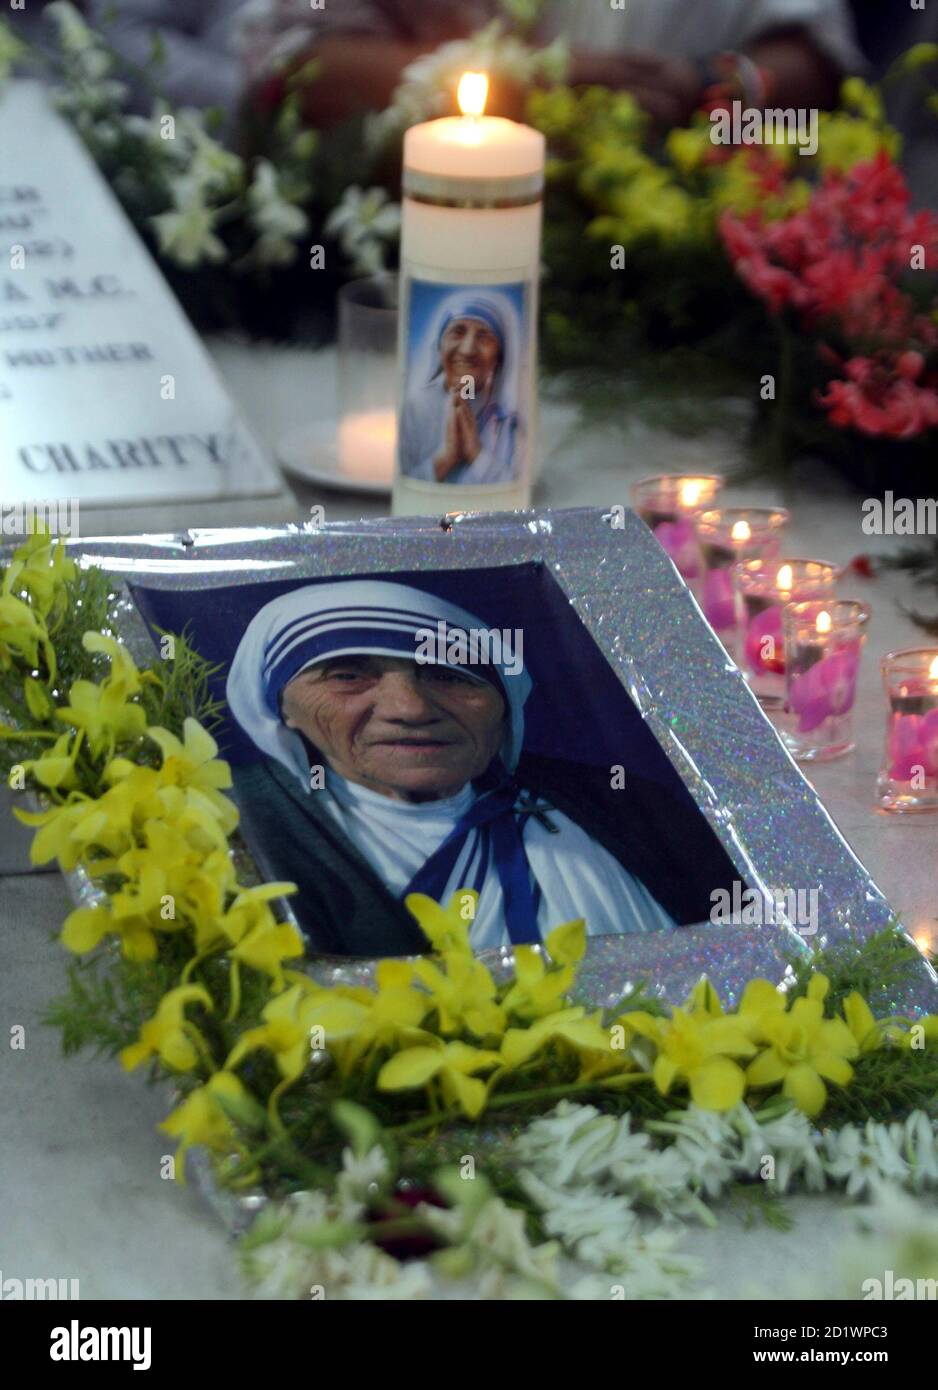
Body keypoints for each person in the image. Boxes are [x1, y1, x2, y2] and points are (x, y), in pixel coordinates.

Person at [225, 577, 739, 956]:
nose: (410, 707)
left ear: (503, 704)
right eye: (346, 675)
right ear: (281, 708)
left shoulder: (628, 804)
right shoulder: (232, 832)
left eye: (449, 675)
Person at [399, 291, 521, 486]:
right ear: (439, 347)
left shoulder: (509, 421)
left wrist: (476, 454)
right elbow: (399, 483)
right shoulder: (413, 410)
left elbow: (517, 489)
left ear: (499, 358)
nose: (467, 350)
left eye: (484, 337)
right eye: (458, 332)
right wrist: (446, 458)